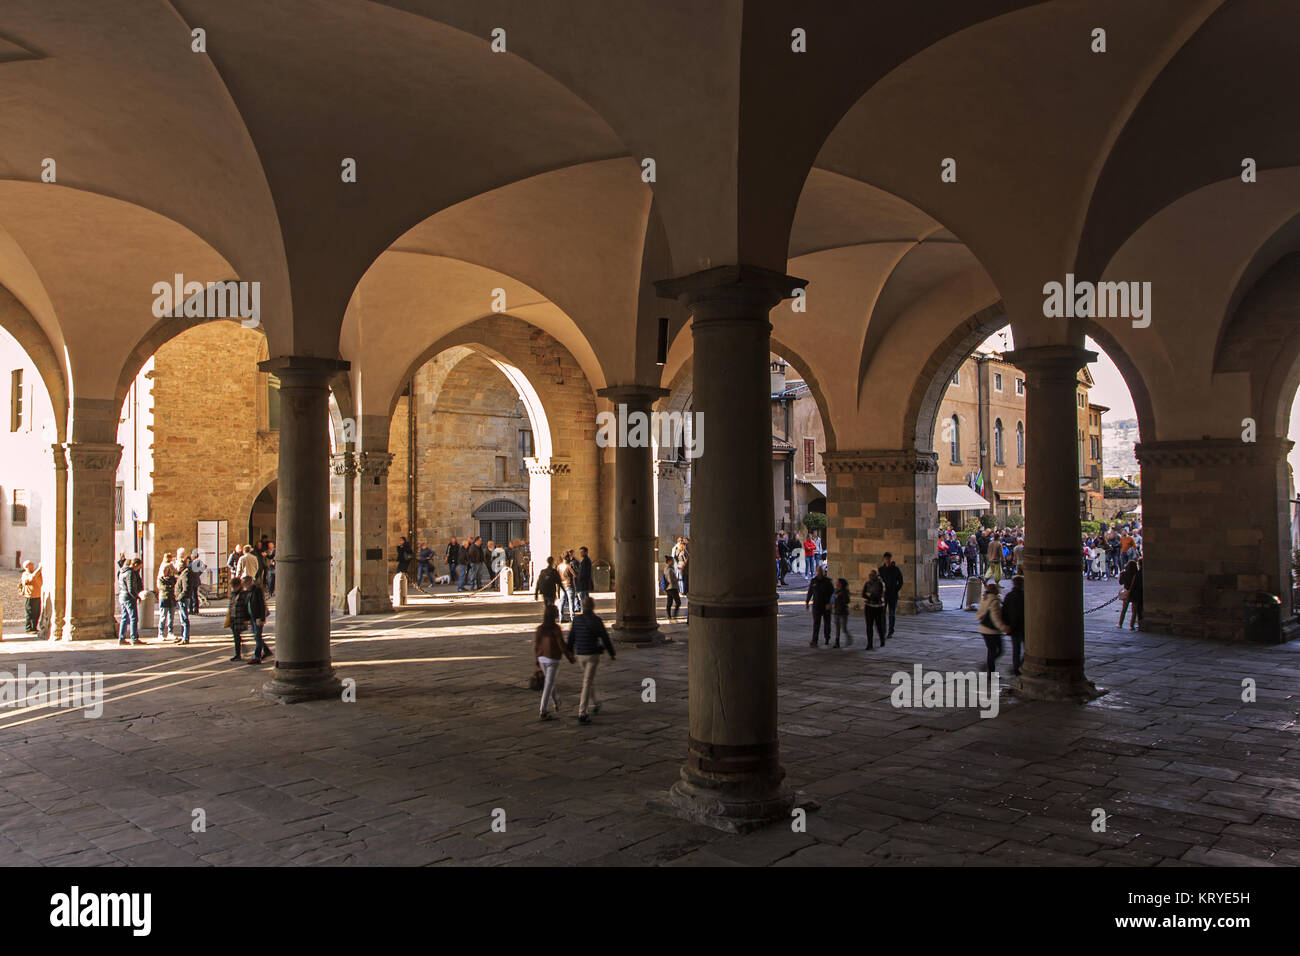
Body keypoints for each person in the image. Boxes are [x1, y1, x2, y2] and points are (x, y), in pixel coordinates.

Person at [566, 596, 616, 724]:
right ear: (593, 607)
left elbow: (571, 638)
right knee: (587, 681)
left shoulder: (576, 620)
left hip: (581, 654)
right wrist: (611, 653)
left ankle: (596, 702)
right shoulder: (596, 620)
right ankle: (582, 712)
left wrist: (569, 652)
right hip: (593, 655)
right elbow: (605, 638)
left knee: (588, 679)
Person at [534, 604, 574, 721]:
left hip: (542, 658)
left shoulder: (540, 629)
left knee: (549, 682)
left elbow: (536, 646)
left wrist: (537, 662)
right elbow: (561, 644)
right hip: (552, 659)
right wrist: (570, 657)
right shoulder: (555, 629)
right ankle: (543, 710)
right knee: (548, 684)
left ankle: (556, 700)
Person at [976, 580, 1012, 674]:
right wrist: (1003, 627)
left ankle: (990, 672)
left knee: (991, 651)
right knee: (998, 651)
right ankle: (989, 669)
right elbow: (995, 618)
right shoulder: (994, 601)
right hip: (992, 631)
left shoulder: (985, 599)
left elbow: (978, 614)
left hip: (983, 629)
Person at [242, 575, 273, 664]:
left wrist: (261, 618)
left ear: (249, 582)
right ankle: (267, 651)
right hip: (252, 617)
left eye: (244, 583)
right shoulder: (248, 592)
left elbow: (261, 605)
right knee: (256, 636)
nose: (243, 585)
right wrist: (246, 618)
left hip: (257, 617)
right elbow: (247, 605)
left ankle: (257, 656)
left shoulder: (257, 591)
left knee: (257, 636)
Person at [118, 557, 145, 645]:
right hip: (129, 597)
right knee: (133, 618)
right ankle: (134, 638)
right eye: (139, 567)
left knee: (124, 618)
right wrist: (137, 597)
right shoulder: (130, 573)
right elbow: (131, 588)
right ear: (135, 565)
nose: (139, 569)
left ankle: (121, 638)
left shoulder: (122, 572)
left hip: (122, 596)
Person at [1002, 574, 1026, 675]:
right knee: (1028, 650)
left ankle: (1016, 668)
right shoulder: (1026, 595)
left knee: (1016, 650)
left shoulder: (1009, 596)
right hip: (1025, 627)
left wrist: (1006, 625)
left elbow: (1004, 612)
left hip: (1013, 627)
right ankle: (1021, 665)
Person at [805, 566, 834, 647]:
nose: (820, 573)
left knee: (827, 623)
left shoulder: (828, 581)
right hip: (816, 606)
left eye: (821, 571)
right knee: (816, 624)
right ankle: (814, 640)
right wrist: (807, 602)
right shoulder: (814, 581)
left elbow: (832, 593)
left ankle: (827, 638)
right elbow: (810, 592)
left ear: (823, 572)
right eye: (818, 571)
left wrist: (830, 603)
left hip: (826, 606)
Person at [879, 553, 903, 638]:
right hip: (884, 595)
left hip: (893, 594)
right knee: (882, 614)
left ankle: (890, 630)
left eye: (888, 559)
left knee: (891, 613)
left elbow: (900, 581)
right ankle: (883, 630)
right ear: (884, 559)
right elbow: (879, 582)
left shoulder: (895, 569)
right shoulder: (881, 570)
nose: (887, 560)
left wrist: (895, 590)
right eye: (886, 559)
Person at [861, 568, 886, 649]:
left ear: (876, 575)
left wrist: (870, 595)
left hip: (878, 607)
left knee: (879, 625)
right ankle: (869, 644)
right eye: (869, 575)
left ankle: (882, 640)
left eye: (872, 575)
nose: (870, 576)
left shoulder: (880, 583)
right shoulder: (867, 583)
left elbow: (878, 595)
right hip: (869, 607)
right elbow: (863, 594)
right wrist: (870, 596)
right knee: (869, 626)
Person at [157, 559, 179, 643]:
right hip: (164, 598)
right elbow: (162, 587)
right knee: (163, 617)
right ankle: (161, 633)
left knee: (171, 617)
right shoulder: (161, 579)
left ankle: (170, 632)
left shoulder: (172, 578)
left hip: (171, 599)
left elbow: (175, 585)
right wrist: (170, 587)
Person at [227, 576, 248, 661]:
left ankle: (238, 654)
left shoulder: (243, 594)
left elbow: (245, 607)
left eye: (234, 586)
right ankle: (238, 653)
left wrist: (246, 619)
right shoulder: (233, 594)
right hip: (233, 618)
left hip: (239, 618)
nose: (233, 588)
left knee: (237, 636)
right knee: (236, 636)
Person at [175, 556, 195, 644]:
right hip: (181, 598)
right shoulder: (183, 573)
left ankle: (185, 637)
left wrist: (179, 597)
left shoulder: (185, 573)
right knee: (182, 618)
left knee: (184, 618)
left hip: (183, 599)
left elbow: (185, 588)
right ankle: (183, 636)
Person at [19, 561, 42, 635]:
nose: (32, 565)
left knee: (37, 613)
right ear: (27, 566)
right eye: (31, 564)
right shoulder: (25, 574)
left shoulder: (35, 573)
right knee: (30, 613)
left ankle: (34, 627)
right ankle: (29, 629)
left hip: (37, 595)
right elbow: (31, 578)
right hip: (30, 597)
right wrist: (39, 569)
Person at [1118, 557, 1139, 629]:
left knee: (1124, 609)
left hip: (1126, 591)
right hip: (1134, 592)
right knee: (1134, 611)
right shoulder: (1136, 574)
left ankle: (1120, 624)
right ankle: (1131, 625)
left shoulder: (1123, 573)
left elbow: (1120, 583)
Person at [831, 577, 852, 648]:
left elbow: (847, 601)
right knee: (837, 628)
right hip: (836, 611)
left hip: (843, 612)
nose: (836, 583)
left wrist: (840, 596)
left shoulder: (845, 591)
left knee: (844, 628)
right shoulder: (836, 591)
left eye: (837, 582)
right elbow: (833, 600)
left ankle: (849, 639)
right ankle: (837, 642)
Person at [557, 551, 578, 623]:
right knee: (571, 602)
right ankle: (572, 618)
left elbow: (557, 577)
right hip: (569, 585)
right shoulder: (569, 566)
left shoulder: (559, 566)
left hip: (562, 585)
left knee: (562, 602)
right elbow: (575, 574)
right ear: (567, 557)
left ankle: (561, 617)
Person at [661, 554, 681, 621]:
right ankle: (674, 615)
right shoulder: (669, 570)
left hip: (668, 588)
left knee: (669, 602)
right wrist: (676, 580)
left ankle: (669, 616)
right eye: (672, 561)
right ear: (668, 562)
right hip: (672, 588)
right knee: (678, 602)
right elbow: (670, 580)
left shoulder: (666, 569)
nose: (673, 562)